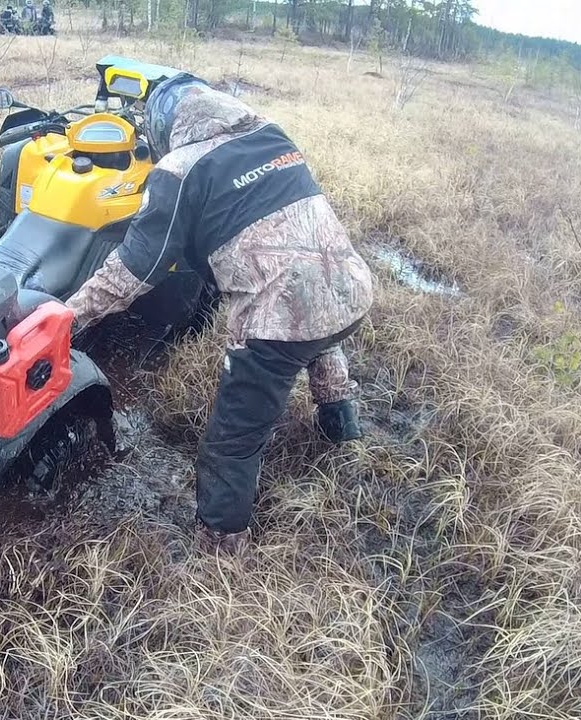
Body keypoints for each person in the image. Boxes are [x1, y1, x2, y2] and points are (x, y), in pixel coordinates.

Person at [63, 73, 374, 550]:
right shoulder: (272, 134)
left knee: (233, 442)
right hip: (350, 288)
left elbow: (134, 268)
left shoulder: (181, 168)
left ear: (167, 125)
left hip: (278, 321)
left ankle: (222, 543)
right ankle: (342, 429)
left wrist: (71, 315)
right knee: (320, 330)